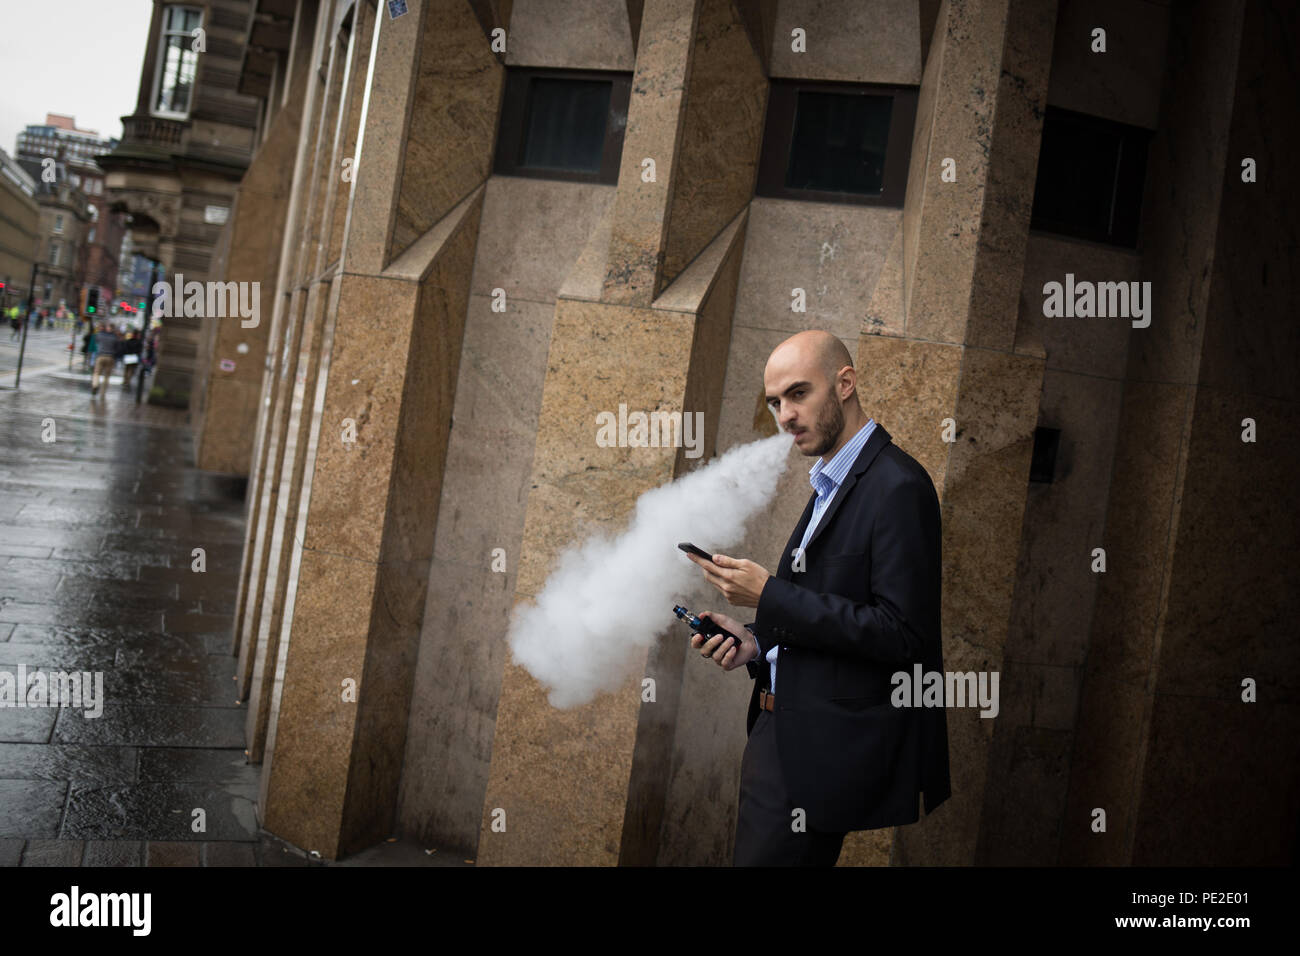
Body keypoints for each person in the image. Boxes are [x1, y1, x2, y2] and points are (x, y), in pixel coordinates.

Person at [685, 329, 951, 866]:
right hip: (778, 733)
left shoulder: (897, 486)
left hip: (818, 750)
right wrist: (755, 642)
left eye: (799, 394)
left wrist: (770, 596)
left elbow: (903, 633)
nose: (785, 415)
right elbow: (826, 609)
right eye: (775, 403)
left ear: (845, 383)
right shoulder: (832, 481)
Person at [89, 322, 119, 396]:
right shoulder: (115, 337)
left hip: (101, 356)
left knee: (96, 373)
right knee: (107, 376)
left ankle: (95, 385)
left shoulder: (100, 335)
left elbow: (96, 340)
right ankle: (103, 392)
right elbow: (117, 348)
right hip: (110, 357)